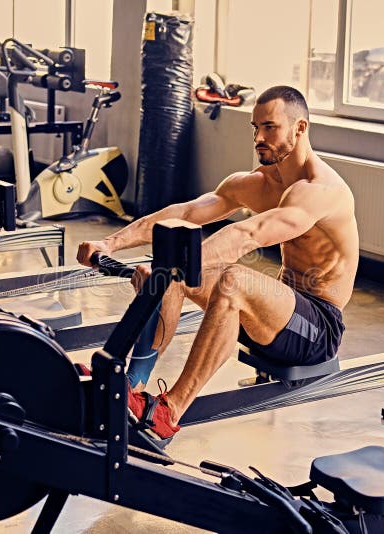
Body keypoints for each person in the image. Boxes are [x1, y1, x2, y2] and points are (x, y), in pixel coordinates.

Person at [77, 85, 358, 441]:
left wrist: (168, 267)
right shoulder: (258, 183)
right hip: (279, 315)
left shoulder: (321, 190)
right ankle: (130, 387)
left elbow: (249, 234)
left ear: (300, 129)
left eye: (270, 127)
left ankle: (170, 411)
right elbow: (186, 213)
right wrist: (110, 242)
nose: (259, 137)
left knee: (230, 281)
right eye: (255, 128)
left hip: (317, 329)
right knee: (178, 275)